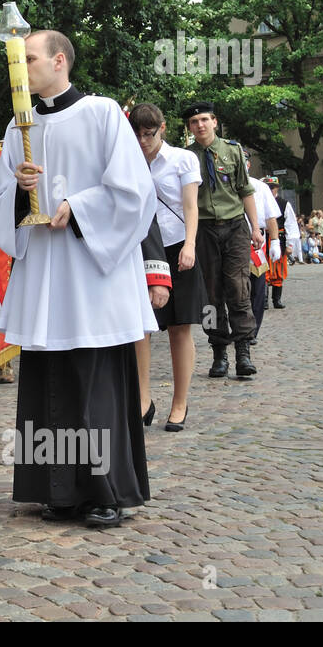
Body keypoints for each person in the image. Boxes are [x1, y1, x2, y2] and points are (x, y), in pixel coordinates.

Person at [0, 31, 156, 528]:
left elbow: (133, 191)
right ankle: (56, 487)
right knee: (49, 383)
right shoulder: (19, 128)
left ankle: (105, 491)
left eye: (29, 59)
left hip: (92, 276)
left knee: (94, 381)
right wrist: (22, 194)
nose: (21, 71)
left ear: (59, 61)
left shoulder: (102, 113)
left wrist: (75, 207)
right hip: (43, 276)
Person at [128, 104, 205, 432]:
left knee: (179, 326)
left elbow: (190, 206)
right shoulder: (128, 160)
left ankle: (179, 402)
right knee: (140, 327)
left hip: (176, 246)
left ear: (162, 129)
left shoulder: (182, 159)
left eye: (149, 134)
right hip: (142, 248)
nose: (144, 141)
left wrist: (190, 245)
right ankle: (142, 399)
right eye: (138, 134)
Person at [183, 102, 259, 379]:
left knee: (238, 288)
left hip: (235, 226)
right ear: (189, 128)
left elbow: (245, 190)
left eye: (204, 120)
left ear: (214, 122)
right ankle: (218, 352)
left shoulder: (233, 150)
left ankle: (243, 351)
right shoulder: (186, 157)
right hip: (203, 229)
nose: (200, 125)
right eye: (194, 122)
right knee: (209, 295)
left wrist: (256, 228)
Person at [243, 157, 281, 343]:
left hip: (255, 243)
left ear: (248, 165)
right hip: (230, 240)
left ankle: (252, 330)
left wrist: (275, 241)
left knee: (257, 288)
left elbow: (270, 217)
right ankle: (237, 327)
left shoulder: (260, 186)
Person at [265, 179, 291, 309]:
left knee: (279, 269)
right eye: (268, 187)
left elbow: (290, 224)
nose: (270, 189)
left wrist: (290, 245)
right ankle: (263, 301)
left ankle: (277, 299)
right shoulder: (259, 200)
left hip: (279, 239)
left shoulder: (284, 203)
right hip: (263, 238)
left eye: (272, 187)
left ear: (277, 188)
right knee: (262, 269)